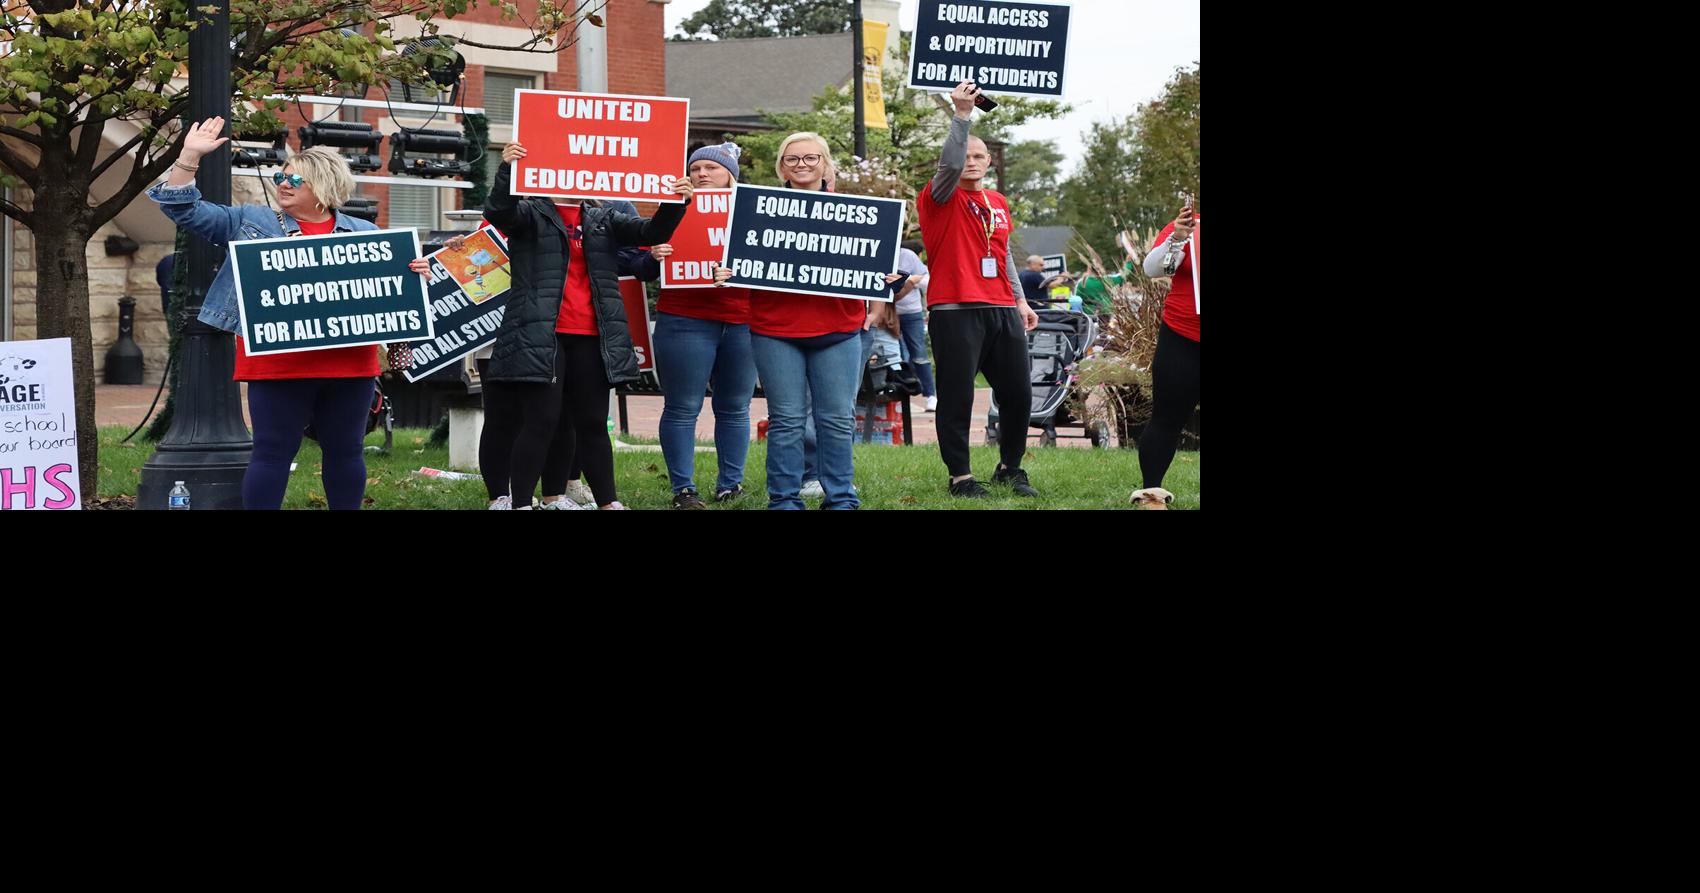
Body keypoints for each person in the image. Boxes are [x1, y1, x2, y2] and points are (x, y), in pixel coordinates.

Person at [149, 117, 383, 510]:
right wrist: (189, 156)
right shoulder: (251, 221)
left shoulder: (365, 233)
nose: (282, 184)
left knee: (346, 452)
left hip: (350, 362)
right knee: (272, 453)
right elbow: (181, 209)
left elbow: (390, 293)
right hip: (278, 362)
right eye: (280, 176)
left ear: (324, 187)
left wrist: (415, 274)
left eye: (294, 180)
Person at [464, 141, 691, 509]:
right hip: (543, 336)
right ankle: (520, 501)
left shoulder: (602, 219)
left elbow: (651, 234)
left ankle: (608, 502)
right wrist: (507, 169)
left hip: (592, 336)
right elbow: (499, 210)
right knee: (541, 421)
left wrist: (676, 201)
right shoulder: (530, 214)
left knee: (591, 422)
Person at [711, 132, 901, 510]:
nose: (801, 165)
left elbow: (870, 263)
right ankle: (783, 499)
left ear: (825, 164)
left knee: (835, 420)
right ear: (782, 167)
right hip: (775, 330)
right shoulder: (756, 211)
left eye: (810, 158)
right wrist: (729, 269)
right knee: (786, 420)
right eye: (793, 159)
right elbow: (740, 261)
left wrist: (881, 277)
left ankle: (841, 498)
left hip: (838, 330)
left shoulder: (855, 215)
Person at [915, 81, 1040, 499]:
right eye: (965, 154)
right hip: (956, 309)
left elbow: (1001, 254)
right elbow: (950, 167)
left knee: (1018, 392)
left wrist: (1020, 300)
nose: (970, 161)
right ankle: (961, 477)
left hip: (1002, 306)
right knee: (958, 395)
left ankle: (1010, 467)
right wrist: (962, 116)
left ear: (989, 162)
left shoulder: (998, 202)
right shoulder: (938, 197)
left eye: (978, 155)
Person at [630, 143, 755, 509]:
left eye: (711, 168)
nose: (702, 174)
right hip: (684, 320)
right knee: (682, 406)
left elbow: (773, 266)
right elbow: (639, 267)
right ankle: (683, 490)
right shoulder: (671, 210)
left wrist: (741, 270)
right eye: (695, 167)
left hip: (742, 321)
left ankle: (730, 484)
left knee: (735, 406)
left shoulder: (751, 213)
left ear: (730, 175)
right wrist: (654, 256)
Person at [1129, 199, 1199, 510]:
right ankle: (1152, 495)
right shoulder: (1186, 225)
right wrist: (1177, 239)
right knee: (1167, 419)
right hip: (1182, 336)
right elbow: (1153, 268)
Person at [891, 241, 936, 411]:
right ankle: (901, 398)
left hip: (911, 313)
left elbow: (927, 280)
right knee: (897, 357)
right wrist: (911, 279)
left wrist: (906, 280)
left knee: (919, 354)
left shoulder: (907, 255)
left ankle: (930, 395)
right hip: (888, 314)